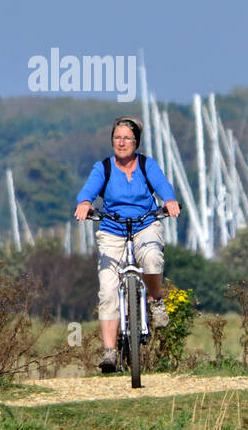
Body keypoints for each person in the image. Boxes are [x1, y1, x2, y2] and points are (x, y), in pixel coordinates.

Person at [74, 116, 181, 373]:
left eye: (127, 138)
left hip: (145, 224)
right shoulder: (103, 167)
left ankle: (154, 300)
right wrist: (85, 203)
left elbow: (163, 185)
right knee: (108, 290)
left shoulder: (147, 165)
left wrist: (169, 200)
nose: (121, 143)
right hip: (112, 229)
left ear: (136, 142)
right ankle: (110, 352)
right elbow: (88, 190)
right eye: (117, 138)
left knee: (152, 257)